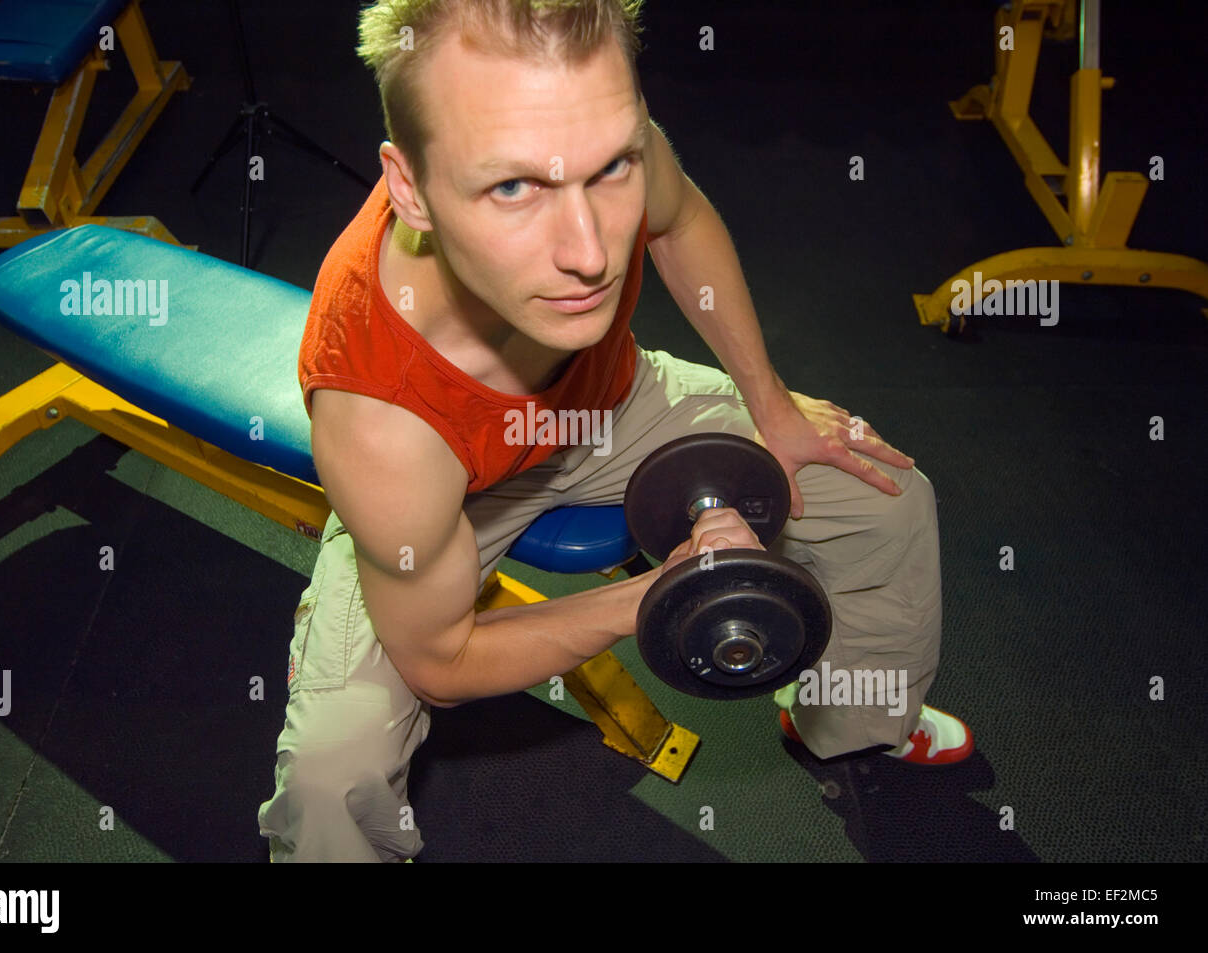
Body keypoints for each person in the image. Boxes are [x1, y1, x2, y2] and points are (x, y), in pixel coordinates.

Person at [258, 0, 973, 863]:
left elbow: (681, 222)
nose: (591, 249)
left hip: (608, 403)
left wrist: (772, 404)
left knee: (882, 494)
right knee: (331, 784)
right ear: (410, 188)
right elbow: (441, 661)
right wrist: (656, 596)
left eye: (611, 168)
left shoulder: (601, 144)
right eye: (514, 187)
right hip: (451, 480)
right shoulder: (378, 417)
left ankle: (854, 722)